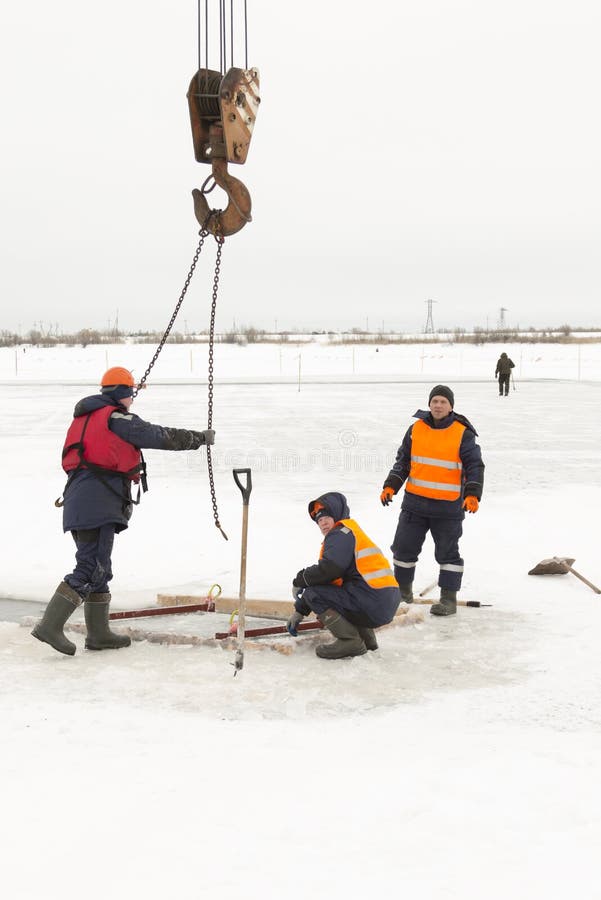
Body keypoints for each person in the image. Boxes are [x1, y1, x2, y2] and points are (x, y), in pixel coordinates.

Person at [32, 366, 214, 656]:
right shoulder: (116, 418)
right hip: (97, 502)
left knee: (99, 567)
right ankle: (50, 626)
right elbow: (157, 436)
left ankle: (99, 634)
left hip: (84, 501)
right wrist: (198, 439)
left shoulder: (89, 416)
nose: (132, 399)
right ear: (122, 393)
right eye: (130, 394)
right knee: (91, 567)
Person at [380, 385, 484, 616]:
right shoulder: (416, 429)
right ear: (429, 404)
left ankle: (448, 600)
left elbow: (474, 465)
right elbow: (403, 462)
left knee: (448, 556)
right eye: (435, 401)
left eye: (443, 402)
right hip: (414, 505)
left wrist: (472, 494)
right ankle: (402, 594)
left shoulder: (462, 432)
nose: (438, 405)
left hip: (447, 508)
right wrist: (390, 486)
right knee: (402, 550)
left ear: (451, 406)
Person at [286, 491, 400, 659]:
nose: (322, 523)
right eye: (319, 520)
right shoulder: (350, 532)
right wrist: (300, 610)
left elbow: (330, 569)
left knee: (313, 593)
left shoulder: (340, 534)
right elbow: (333, 582)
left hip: (372, 600)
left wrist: (301, 579)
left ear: (336, 514)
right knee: (343, 594)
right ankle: (367, 640)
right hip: (384, 600)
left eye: (326, 517)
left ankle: (350, 641)